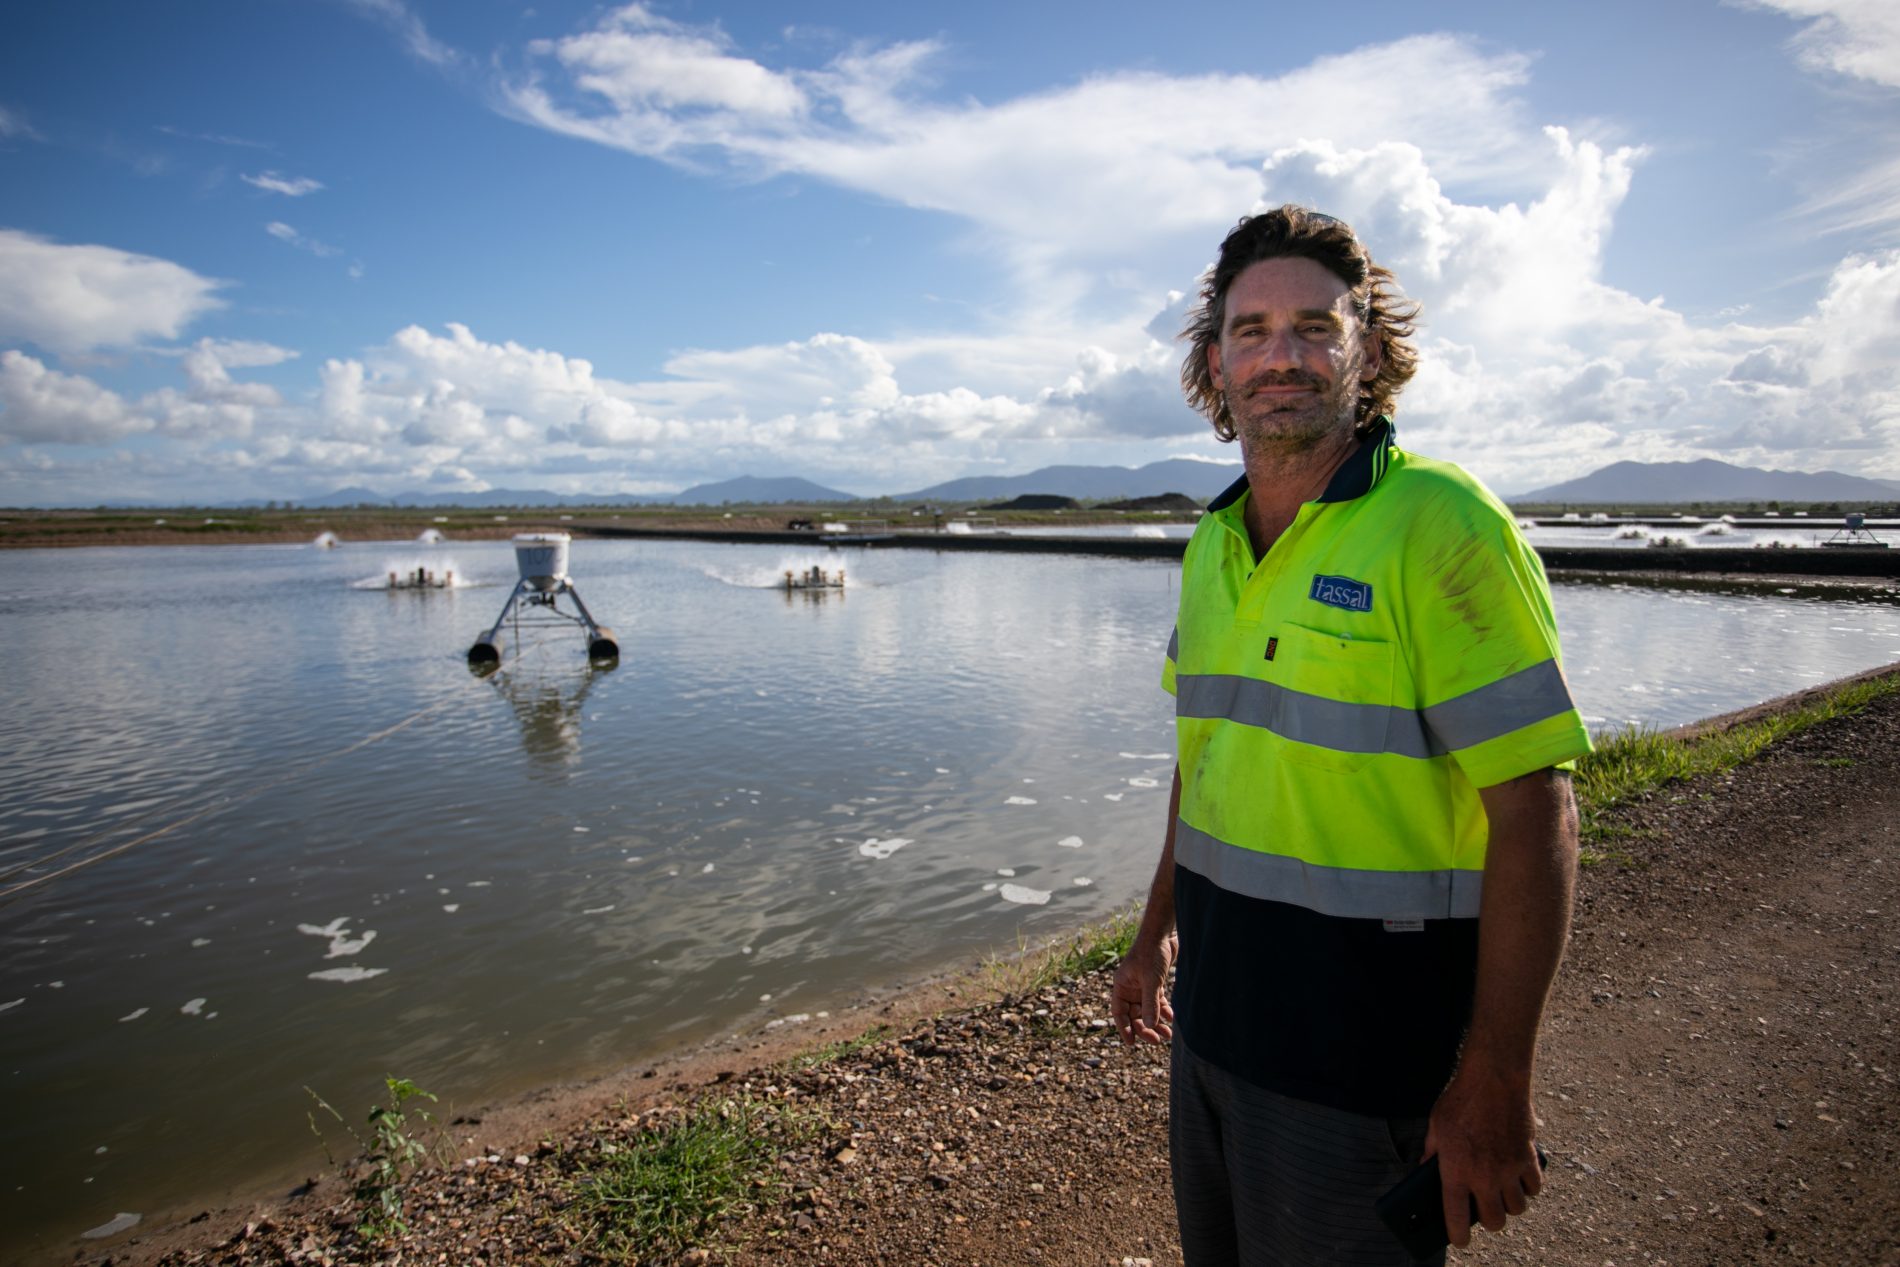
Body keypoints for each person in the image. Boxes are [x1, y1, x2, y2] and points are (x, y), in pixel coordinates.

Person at [1112, 205, 1593, 1266]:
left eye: (1313, 327)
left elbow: (1535, 805)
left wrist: (1496, 1080)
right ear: (1213, 361)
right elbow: (1205, 761)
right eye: (1250, 330)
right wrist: (1153, 935)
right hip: (1215, 1033)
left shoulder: (1442, 522)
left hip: (1364, 1063)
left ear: (1365, 349)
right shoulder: (1211, 543)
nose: (1279, 356)